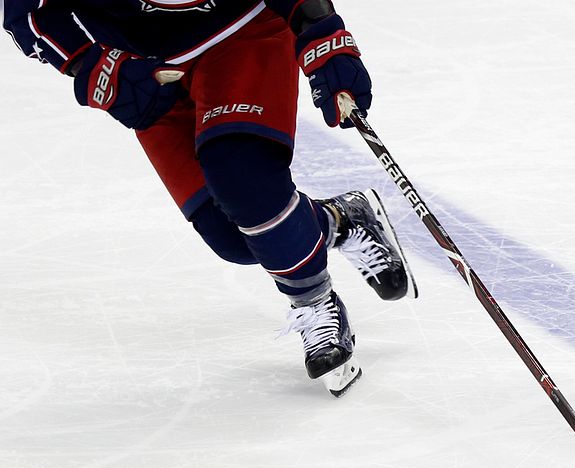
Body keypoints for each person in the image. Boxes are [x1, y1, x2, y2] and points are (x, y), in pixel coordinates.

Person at [3, 0, 416, 397]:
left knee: (243, 181)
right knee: (235, 238)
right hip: (143, 69)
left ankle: (313, 301)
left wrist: (322, 32)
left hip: (240, 32)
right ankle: (342, 220)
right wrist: (92, 65)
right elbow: (30, 12)